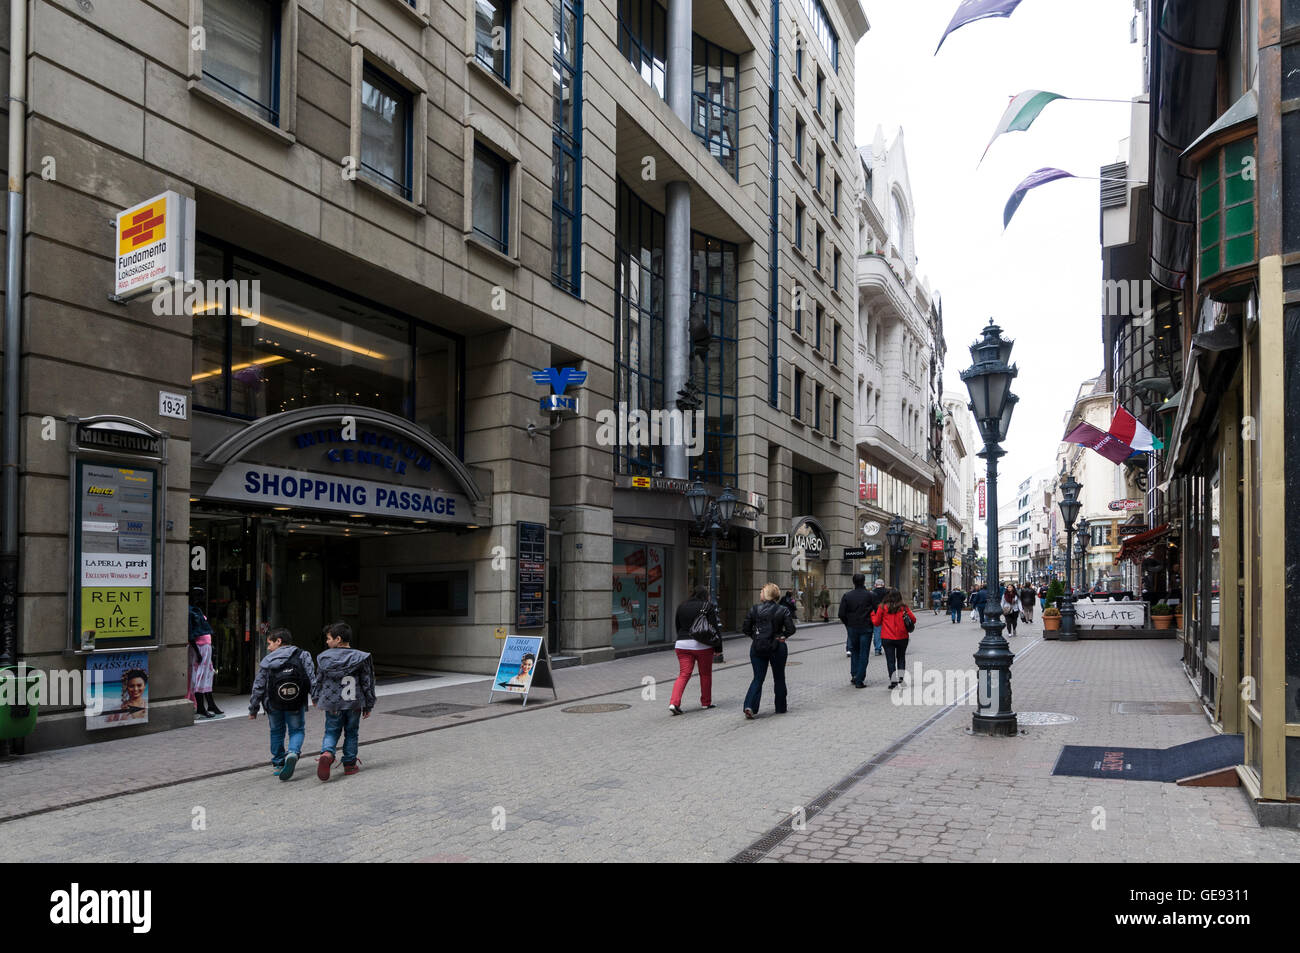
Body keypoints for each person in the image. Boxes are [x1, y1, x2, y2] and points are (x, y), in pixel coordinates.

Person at [248, 627, 316, 781]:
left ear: (279, 641)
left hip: (273, 703)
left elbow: (258, 685)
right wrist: (315, 697)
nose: (268, 647)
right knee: (297, 730)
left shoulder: (268, 660)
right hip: (296, 700)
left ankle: (278, 763)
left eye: (270, 643)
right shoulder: (302, 655)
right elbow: (312, 678)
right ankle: (292, 752)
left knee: (276, 731)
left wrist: (253, 708)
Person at [312, 621, 376, 780]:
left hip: (332, 703)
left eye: (328, 638)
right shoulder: (361, 657)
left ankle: (327, 753)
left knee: (331, 731)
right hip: (354, 702)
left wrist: (315, 697)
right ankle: (349, 764)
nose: (326, 642)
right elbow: (367, 682)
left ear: (338, 639)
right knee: (352, 733)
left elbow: (317, 681)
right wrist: (369, 704)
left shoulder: (323, 658)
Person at [742, 582, 796, 718]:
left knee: (758, 678)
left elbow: (746, 629)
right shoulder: (783, 610)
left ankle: (750, 706)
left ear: (766, 594)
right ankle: (780, 707)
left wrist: (756, 637)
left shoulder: (754, 610)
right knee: (779, 677)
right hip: (777, 646)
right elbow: (791, 629)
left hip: (758, 646)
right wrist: (783, 636)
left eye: (761, 591)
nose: (760, 594)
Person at [669, 587, 721, 714]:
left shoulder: (681, 606)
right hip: (702, 645)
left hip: (682, 644)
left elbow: (678, 626)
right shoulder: (707, 606)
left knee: (683, 674)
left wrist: (682, 638)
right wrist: (718, 648)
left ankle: (674, 703)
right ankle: (706, 703)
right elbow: (714, 628)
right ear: (705, 595)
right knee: (705, 674)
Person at [838, 573, 877, 688]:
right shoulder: (870, 595)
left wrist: (848, 624)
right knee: (864, 654)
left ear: (853, 582)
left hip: (852, 628)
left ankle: (855, 675)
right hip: (866, 628)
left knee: (854, 651)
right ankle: (859, 679)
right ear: (864, 581)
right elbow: (877, 610)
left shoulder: (847, 595)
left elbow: (841, 614)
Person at [872, 588, 916, 690]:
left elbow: (876, 622)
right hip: (902, 637)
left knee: (890, 660)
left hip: (887, 638)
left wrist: (872, 614)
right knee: (901, 657)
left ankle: (893, 681)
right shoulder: (904, 607)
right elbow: (913, 619)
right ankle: (901, 677)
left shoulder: (882, 607)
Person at [188, 588, 222, 718]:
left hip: (205, 646)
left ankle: (210, 704)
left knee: (208, 674)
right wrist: (198, 652)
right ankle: (201, 706)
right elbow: (190, 634)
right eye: (199, 595)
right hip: (199, 647)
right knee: (199, 676)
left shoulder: (197, 610)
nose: (202, 598)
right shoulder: (190, 611)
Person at [871, 578, 888, 654]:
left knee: (877, 631)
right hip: (886, 614)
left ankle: (877, 649)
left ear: (875, 585)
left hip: (876, 613)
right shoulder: (887, 592)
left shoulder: (872, 593)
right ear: (883, 584)